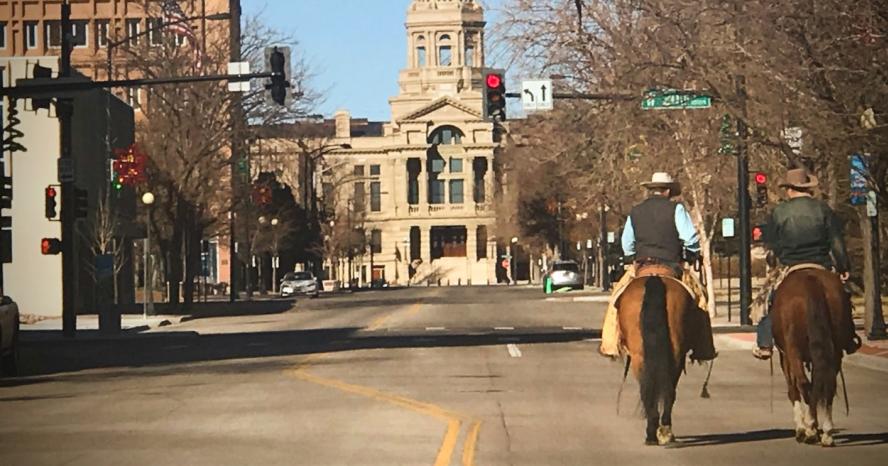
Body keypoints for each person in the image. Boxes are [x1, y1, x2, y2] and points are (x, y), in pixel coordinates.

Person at [599, 172, 717, 361]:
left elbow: (627, 242)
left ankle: (611, 344)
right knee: (700, 298)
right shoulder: (676, 209)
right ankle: (704, 348)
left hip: (642, 265)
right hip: (670, 264)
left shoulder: (636, 211)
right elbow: (690, 238)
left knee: (616, 300)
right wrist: (692, 252)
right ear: (668, 191)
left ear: (651, 190)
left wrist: (631, 256)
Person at [752, 167, 861, 360]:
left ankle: (765, 342)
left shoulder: (780, 211)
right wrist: (843, 267)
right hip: (820, 263)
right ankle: (848, 337)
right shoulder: (823, 209)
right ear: (807, 188)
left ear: (789, 189)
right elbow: (836, 241)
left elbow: (773, 243)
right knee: (843, 297)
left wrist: (777, 257)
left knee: (768, 301)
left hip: (790, 264)